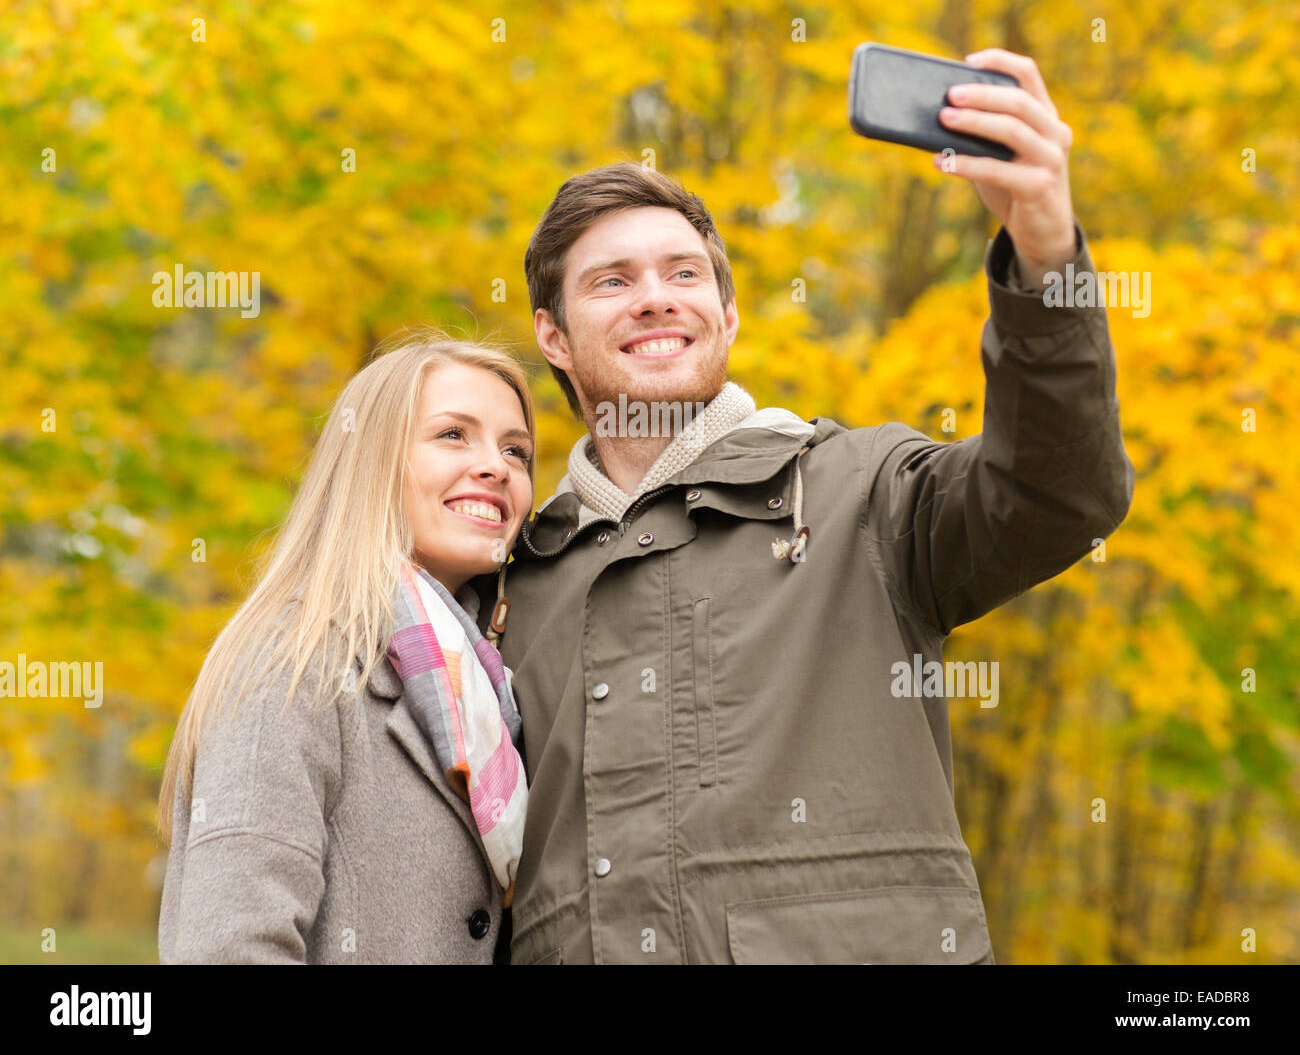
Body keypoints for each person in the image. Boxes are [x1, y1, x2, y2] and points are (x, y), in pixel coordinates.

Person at [484, 49, 1135, 963]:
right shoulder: (512, 588)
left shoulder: (862, 492)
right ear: (553, 334)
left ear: (729, 314)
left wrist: (1044, 252)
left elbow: (1060, 491)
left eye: (683, 274)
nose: (655, 300)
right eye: (612, 281)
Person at [157, 337, 535, 963]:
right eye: (452, 436)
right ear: (371, 462)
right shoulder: (293, 659)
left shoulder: (488, 687)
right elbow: (231, 946)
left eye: (516, 450)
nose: (495, 466)